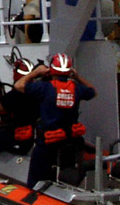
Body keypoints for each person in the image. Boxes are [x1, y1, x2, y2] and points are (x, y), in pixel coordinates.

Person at [15, 52, 96, 188]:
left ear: (51, 69)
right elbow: (92, 91)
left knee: (36, 180)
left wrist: (35, 73)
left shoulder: (44, 88)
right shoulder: (76, 88)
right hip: (70, 142)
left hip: (47, 143)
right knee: (67, 177)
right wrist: (76, 76)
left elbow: (18, 85)